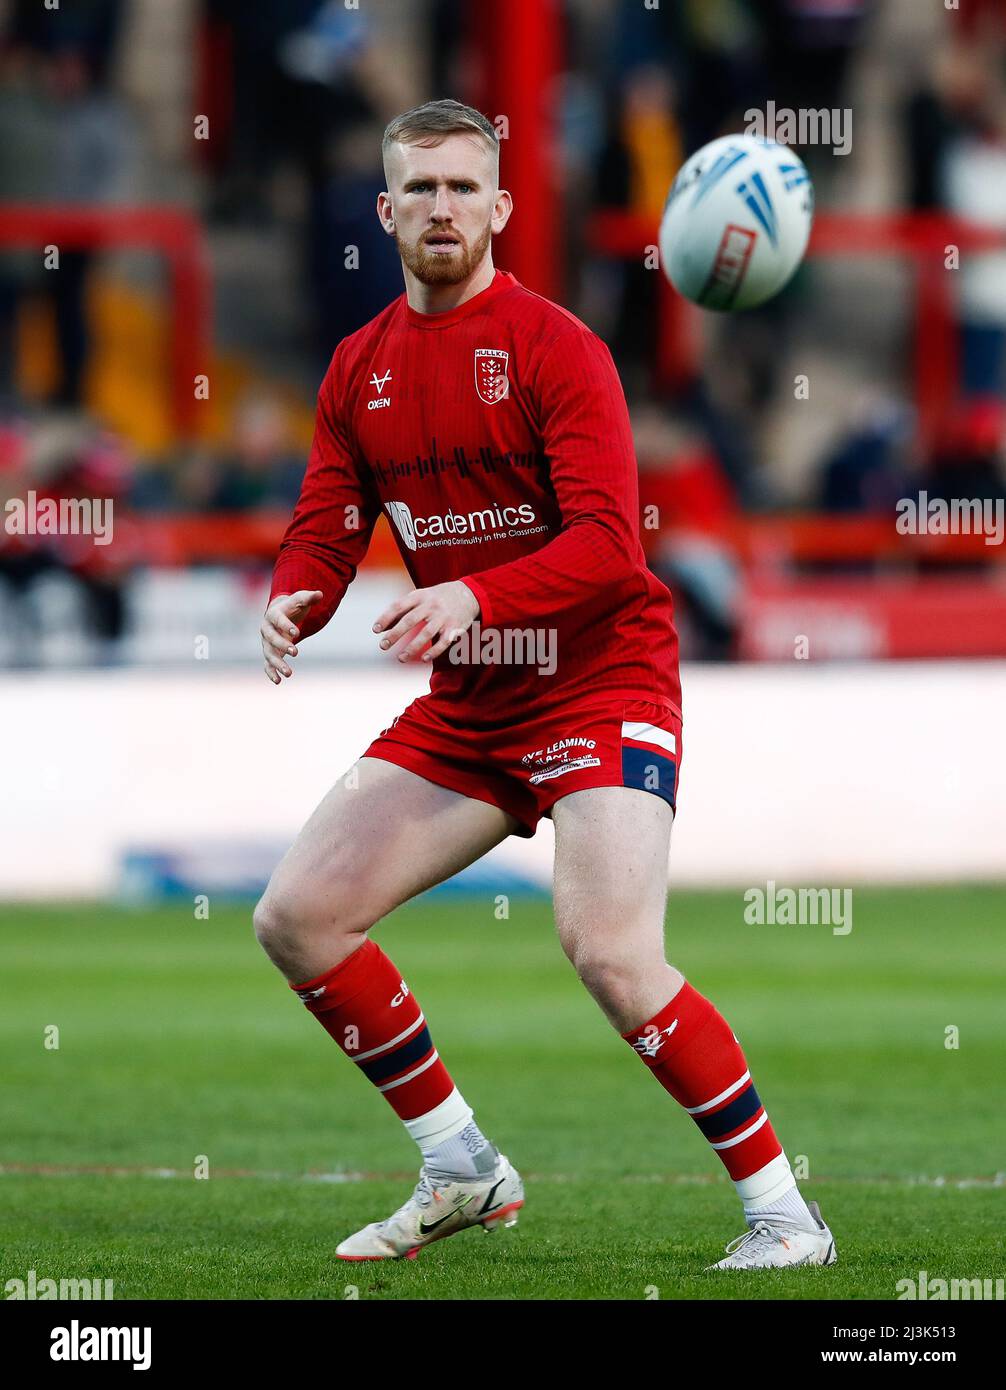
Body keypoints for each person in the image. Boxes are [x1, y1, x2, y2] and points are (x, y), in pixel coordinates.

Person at [255, 98, 836, 1270]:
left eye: (463, 188)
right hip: (474, 703)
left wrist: (474, 596)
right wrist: (293, 593)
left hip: (598, 678)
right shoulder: (356, 368)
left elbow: (608, 545)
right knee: (298, 918)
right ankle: (462, 1167)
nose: (440, 208)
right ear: (385, 209)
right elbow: (327, 523)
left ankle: (785, 1215)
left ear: (501, 209)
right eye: (418, 189)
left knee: (609, 946)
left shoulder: (557, 347)